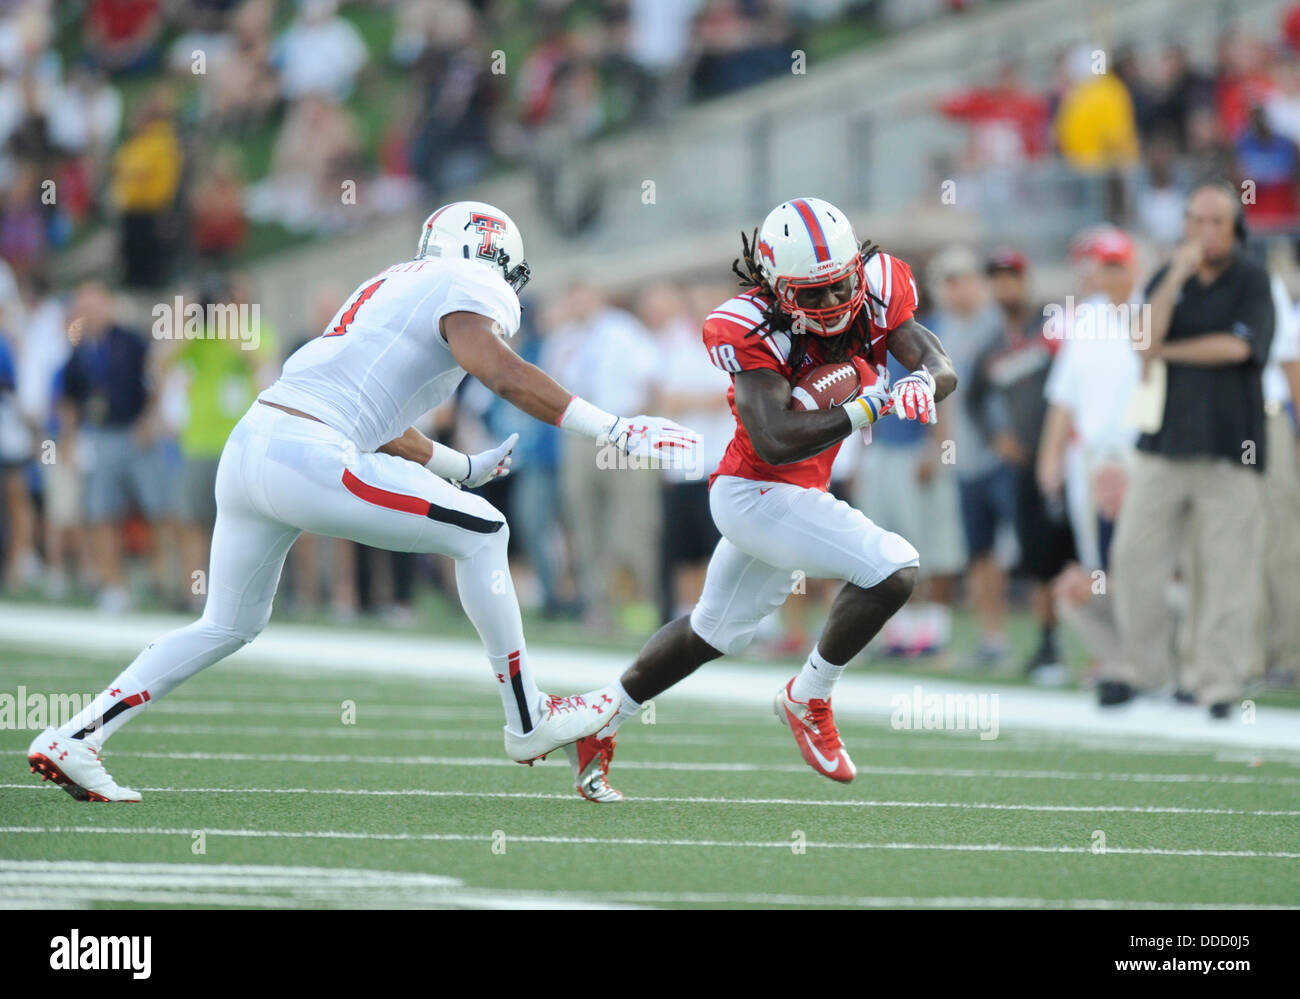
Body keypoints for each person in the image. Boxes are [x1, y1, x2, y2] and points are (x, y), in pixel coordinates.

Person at [26, 200, 700, 803]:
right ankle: (527, 720)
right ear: (491, 253)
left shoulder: (390, 283)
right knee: (485, 531)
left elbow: (372, 409)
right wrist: (614, 427)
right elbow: (500, 371)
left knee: (225, 623)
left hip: (258, 443)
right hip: (308, 452)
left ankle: (76, 736)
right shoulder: (463, 284)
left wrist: (456, 464)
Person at [563, 197, 956, 802]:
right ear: (775, 288)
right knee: (895, 568)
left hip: (793, 494)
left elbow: (935, 360)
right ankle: (810, 697)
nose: (830, 305)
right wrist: (872, 405)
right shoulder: (748, 325)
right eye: (812, 294)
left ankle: (596, 722)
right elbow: (773, 440)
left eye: (838, 288)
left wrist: (924, 383)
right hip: (755, 491)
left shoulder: (878, 285)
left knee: (710, 634)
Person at [1105, 184, 1275, 718]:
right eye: (1196, 220)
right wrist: (1176, 275)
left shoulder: (1252, 279)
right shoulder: (1164, 278)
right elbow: (1141, 343)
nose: (1205, 232)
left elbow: (1239, 347)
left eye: (1216, 222)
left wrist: (1169, 351)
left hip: (1232, 449)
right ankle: (1145, 671)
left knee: (1226, 570)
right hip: (1163, 445)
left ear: (1234, 228)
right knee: (1133, 557)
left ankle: (1217, 683)